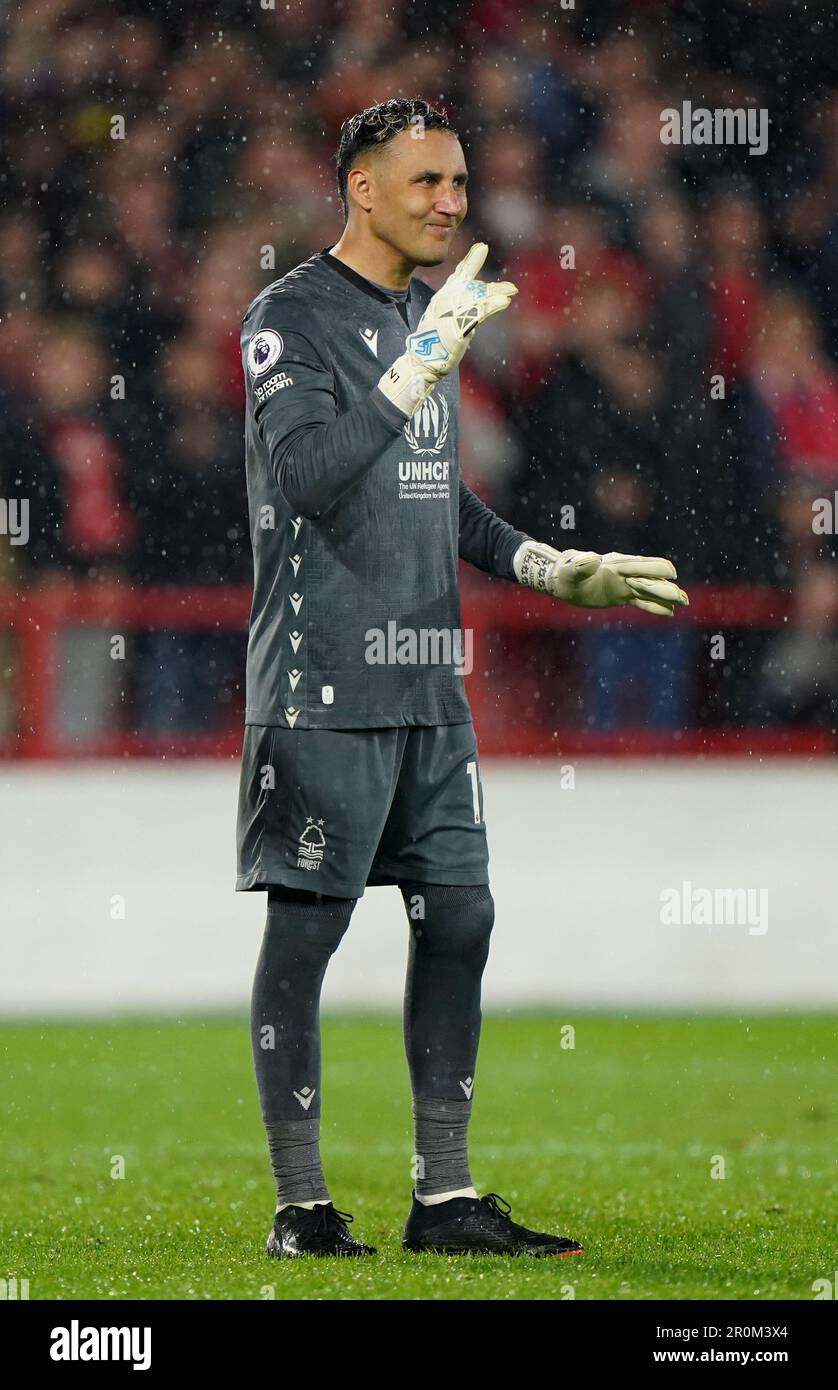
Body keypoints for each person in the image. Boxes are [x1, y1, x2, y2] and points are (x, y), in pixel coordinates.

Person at [235, 98, 688, 1259]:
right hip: (322, 686)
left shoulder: (415, 317)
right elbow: (312, 478)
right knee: (309, 938)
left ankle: (444, 1199)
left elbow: (437, 501)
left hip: (431, 684)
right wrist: (418, 365)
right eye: (427, 181)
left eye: (459, 182)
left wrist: (553, 566)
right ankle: (301, 1209)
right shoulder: (288, 319)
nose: (450, 202)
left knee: (462, 921)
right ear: (362, 188)